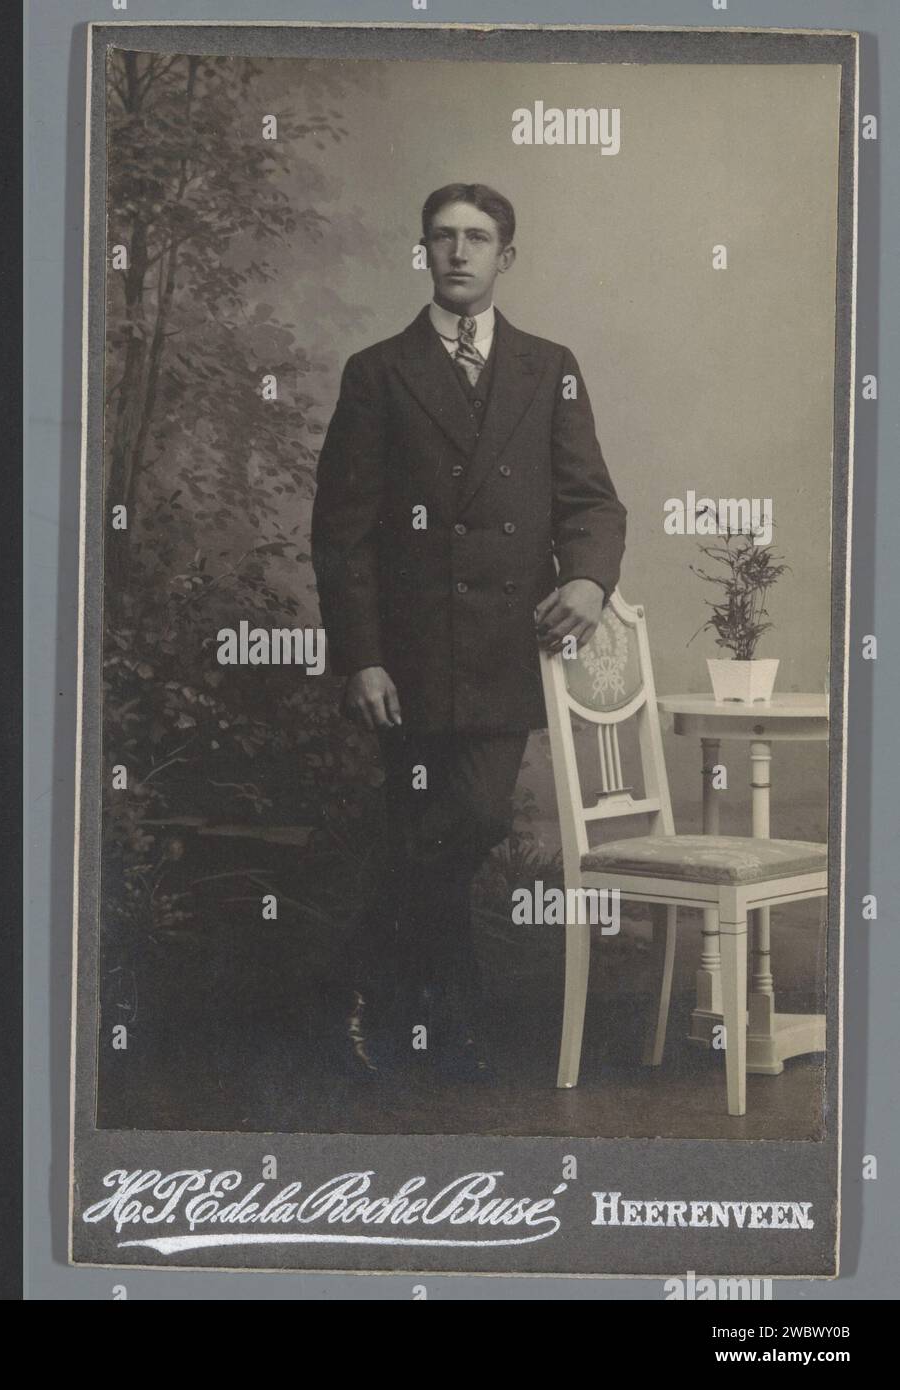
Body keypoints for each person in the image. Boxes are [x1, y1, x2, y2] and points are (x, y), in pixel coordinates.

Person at [311, 182, 627, 1082]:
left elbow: (592, 501)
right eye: (443, 238)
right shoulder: (377, 371)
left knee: (466, 822)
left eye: (477, 239)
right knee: (421, 832)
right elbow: (341, 532)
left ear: (505, 258)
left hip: (500, 654)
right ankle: (447, 1039)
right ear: (425, 253)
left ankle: (346, 977)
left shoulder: (548, 364)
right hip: (406, 659)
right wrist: (361, 657)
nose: (458, 253)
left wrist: (589, 579)